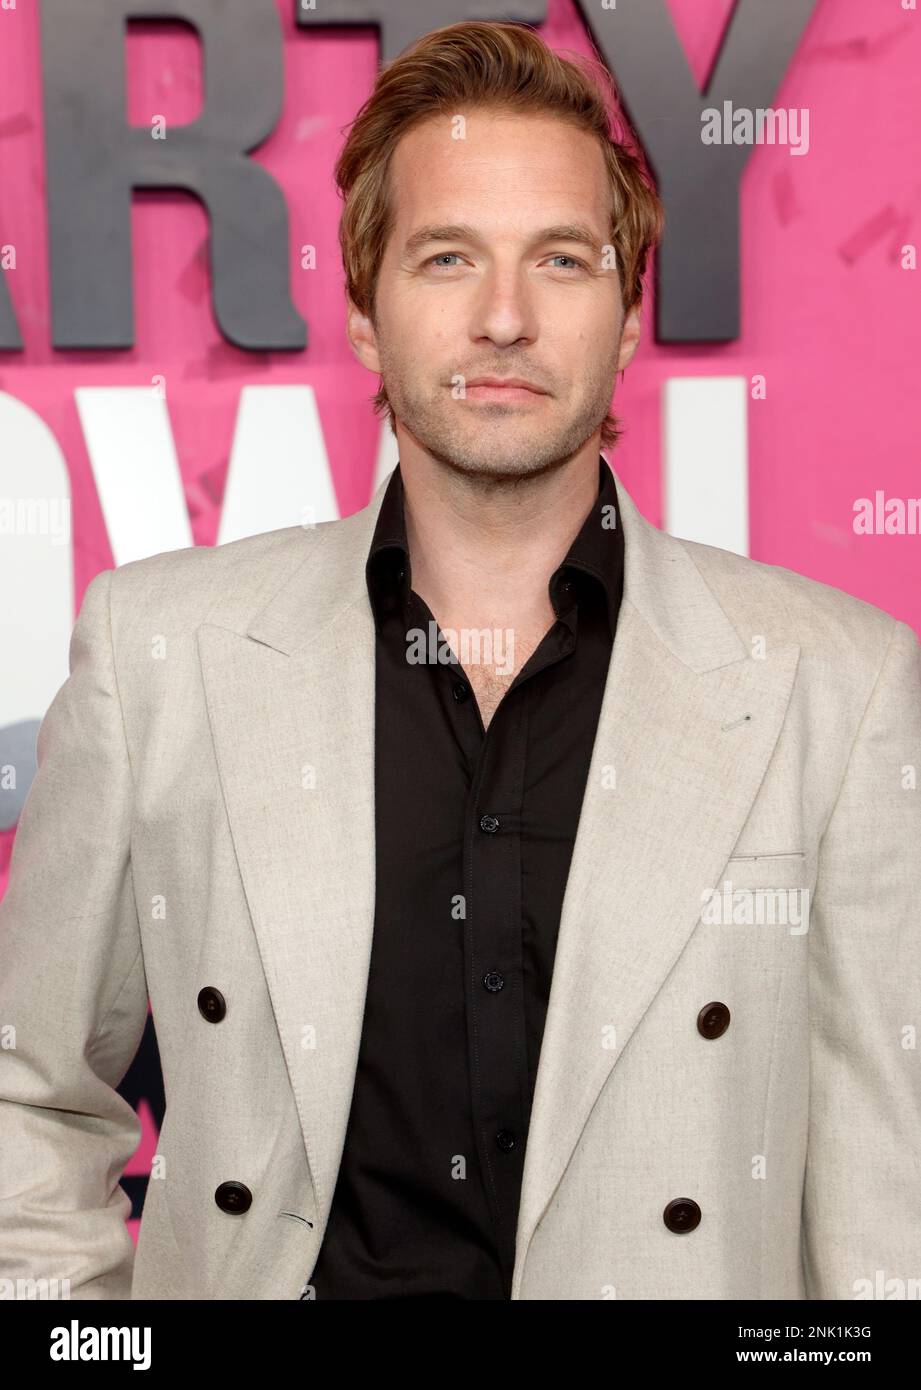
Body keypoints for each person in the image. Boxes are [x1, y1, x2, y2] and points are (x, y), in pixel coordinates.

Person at [1, 20, 919, 1302]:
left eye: (560, 258)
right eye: (447, 259)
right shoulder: (160, 656)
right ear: (368, 315)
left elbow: (892, 1214)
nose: (504, 317)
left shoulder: (844, 687)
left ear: (629, 312)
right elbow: (26, 1094)